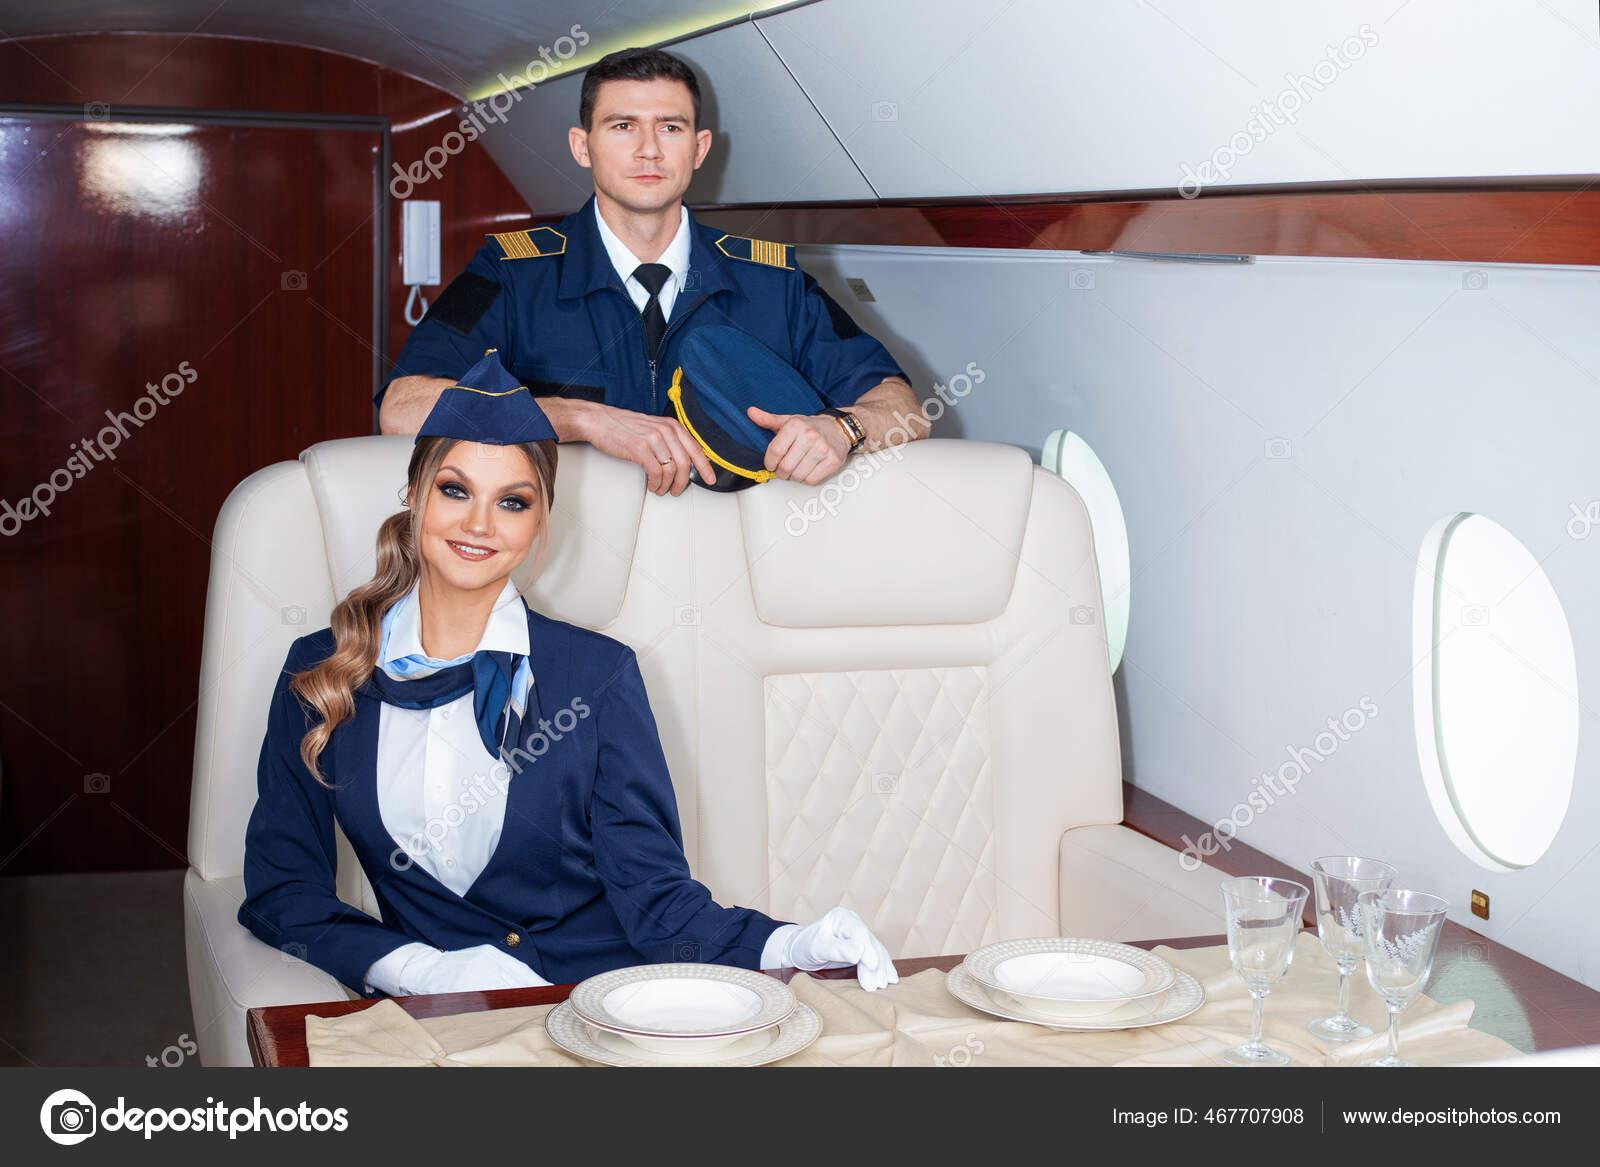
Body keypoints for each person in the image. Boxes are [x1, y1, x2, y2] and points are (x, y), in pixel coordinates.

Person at [239, 350, 898, 997]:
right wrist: (418, 968)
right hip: (444, 1025)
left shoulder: (598, 675)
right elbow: (283, 891)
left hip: (603, 1009)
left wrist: (793, 944)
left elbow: (657, 900)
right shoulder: (324, 671)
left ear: (540, 520)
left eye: (513, 502)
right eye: (455, 489)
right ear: (414, 494)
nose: (478, 523)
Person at [377, 46, 926, 495]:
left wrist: (843, 428)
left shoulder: (775, 281)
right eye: (622, 126)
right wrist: (581, 419)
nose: (648, 151)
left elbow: (905, 409)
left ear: (699, 148)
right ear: (582, 146)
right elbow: (403, 408)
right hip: (573, 565)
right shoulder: (511, 272)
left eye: (670, 128)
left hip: (738, 567)